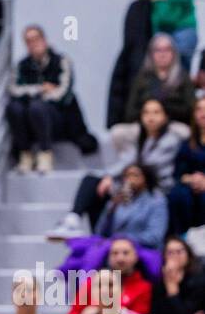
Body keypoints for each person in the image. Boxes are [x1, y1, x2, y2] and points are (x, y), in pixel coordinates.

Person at [48, 98, 179, 239]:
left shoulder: (171, 140)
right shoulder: (140, 139)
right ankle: (73, 220)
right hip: (132, 186)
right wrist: (108, 177)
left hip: (155, 191)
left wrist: (118, 178)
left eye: (156, 112)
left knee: (105, 190)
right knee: (93, 181)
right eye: (146, 112)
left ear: (165, 117)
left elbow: (147, 167)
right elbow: (126, 163)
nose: (150, 117)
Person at [6, 25, 96, 174]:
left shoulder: (61, 60)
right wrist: (40, 89)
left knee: (37, 107)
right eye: (28, 41)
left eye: (36, 39)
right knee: (15, 108)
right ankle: (25, 154)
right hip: (30, 118)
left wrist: (34, 95)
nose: (33, 44)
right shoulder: (22, 65)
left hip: (58, 118)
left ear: (44, 40)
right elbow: (13, 89)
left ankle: (45, 154)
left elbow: (63, 93)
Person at [114, 33, 195, 143]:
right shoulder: (142, 78)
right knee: (118, 132)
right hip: (143, 125)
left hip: (172, 125)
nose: (162, 54)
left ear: (174, 53)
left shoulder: (183, 77)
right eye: (158, 50)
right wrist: (149, 116)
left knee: (185, 133)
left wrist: (164, 114)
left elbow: (191, 109)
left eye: (167, 50)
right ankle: (131, 159)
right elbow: (130, 112)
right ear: (151, 53)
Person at [67, 235, 153, 314]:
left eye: (126, 253)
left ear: (136, 257)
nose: (120, 258)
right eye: (115, 253)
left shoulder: (144, 287)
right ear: (108, 257)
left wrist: (99, 311)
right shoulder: (92, 281)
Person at [150, 237, 205, 314]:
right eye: (170, 252)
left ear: (188, 255)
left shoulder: (199, 281)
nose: (175, 256)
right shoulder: (158, 284)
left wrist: (172, 289)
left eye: (179, 251)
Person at [168, 95, 205, 234]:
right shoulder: (187, 144)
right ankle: (181, 238)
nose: (203, 113)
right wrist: (192, 179)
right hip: (190, 187)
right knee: (177, 194)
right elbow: (178, 173)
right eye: (199, 109)